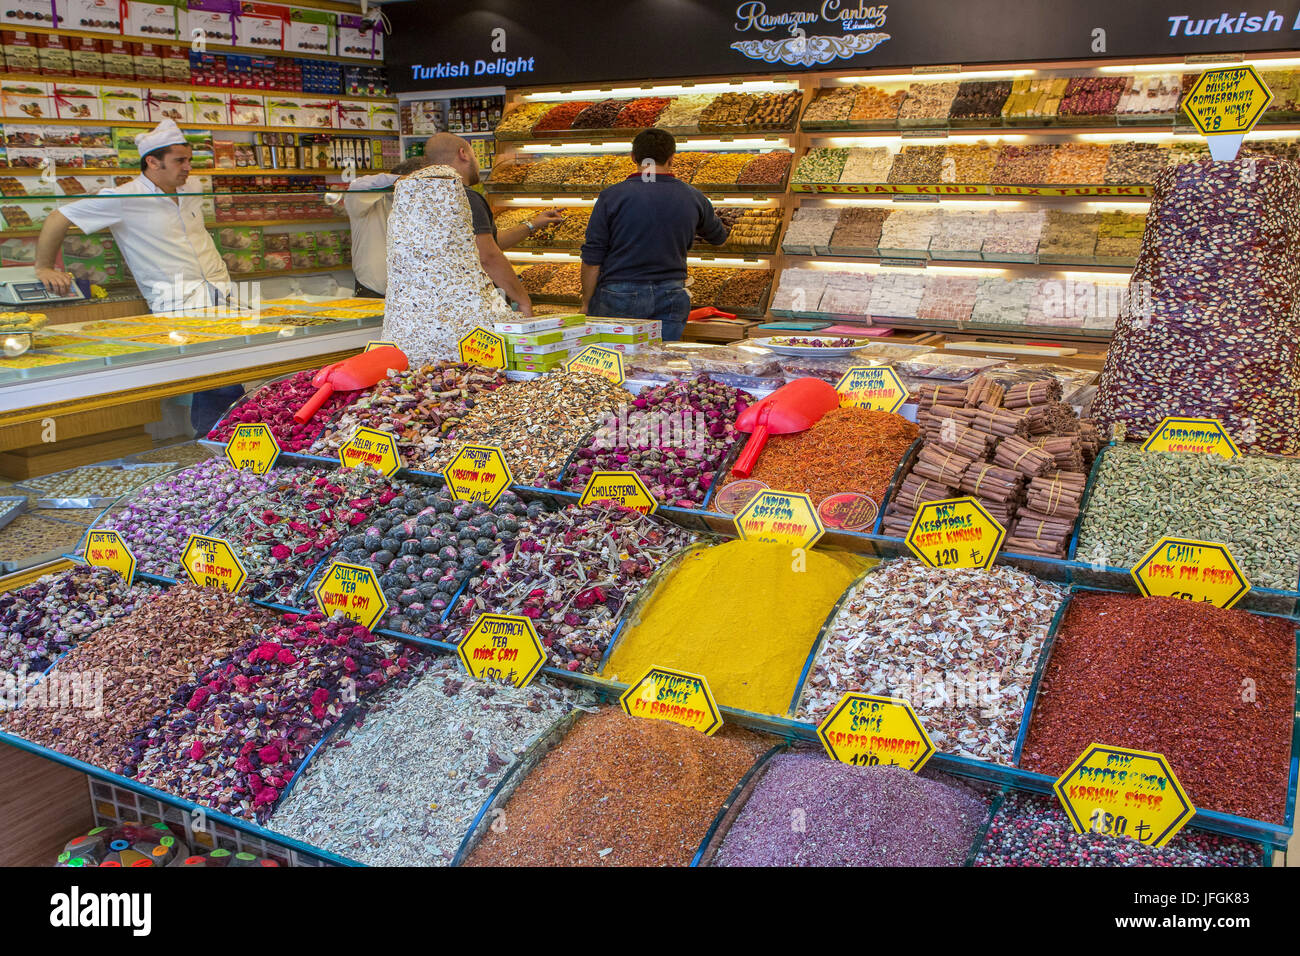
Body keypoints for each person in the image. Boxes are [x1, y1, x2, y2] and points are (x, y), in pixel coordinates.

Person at [33, 119, 241, 437]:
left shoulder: (191, 190)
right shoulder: (123, 197)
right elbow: (58, 217)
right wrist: (43, 267)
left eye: (189, 159)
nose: (188, 167)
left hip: (220, 294)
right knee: (219, 380)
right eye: (179, 160)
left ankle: (226, 447)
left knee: (233, 371)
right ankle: (219, 448)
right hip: (178, 302)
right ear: (152, 162)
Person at [580, 128, 728, 341]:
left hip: (619, 293)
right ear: (671, 159)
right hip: (672, 292)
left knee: (616, 362)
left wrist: (586, 302)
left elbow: (592, 258)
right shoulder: (693, 197)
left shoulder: (611, 197)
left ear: (633, 157)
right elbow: (719, 239)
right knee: (660, 365)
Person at [423, 132, 560, 316]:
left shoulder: (425, 198)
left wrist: (531, 225)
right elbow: (488, 256)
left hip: (439, 305)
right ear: (463, 154)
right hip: (471, 306)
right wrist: (522, 299)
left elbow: (485, 243)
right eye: (474, 154)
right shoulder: (465, 197)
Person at [344, 154, 437, 298]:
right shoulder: (369, 203)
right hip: (373, 294)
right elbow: (358, 186)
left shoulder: (422, 208)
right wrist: (398, 180)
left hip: (413, 295)